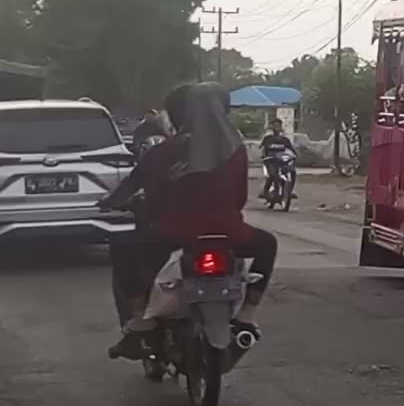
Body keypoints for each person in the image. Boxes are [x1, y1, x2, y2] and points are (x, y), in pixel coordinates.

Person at [101, 82, 279, 360]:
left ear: (177, 114)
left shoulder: (163, 152)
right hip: (229, 233)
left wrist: (113, 203)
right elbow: (240, 198)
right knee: (267, 244)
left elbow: (151, 198)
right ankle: (247, 314)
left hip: (176, 232)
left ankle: (141, 319)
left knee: (122, 246)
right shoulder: (236, 151)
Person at [259, 118, 295, 201]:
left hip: (282, 161)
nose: (277, 127)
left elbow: (292, 150)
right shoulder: (268, 138)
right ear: (272, 127)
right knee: (272, 175)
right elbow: (262, 149)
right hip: (270, 161)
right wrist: (264, 156)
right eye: (275, 126)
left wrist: (294, 156)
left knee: (292, 171)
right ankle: (266, 191)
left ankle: (289, 191)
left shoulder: (284, 140)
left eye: (278, 125)